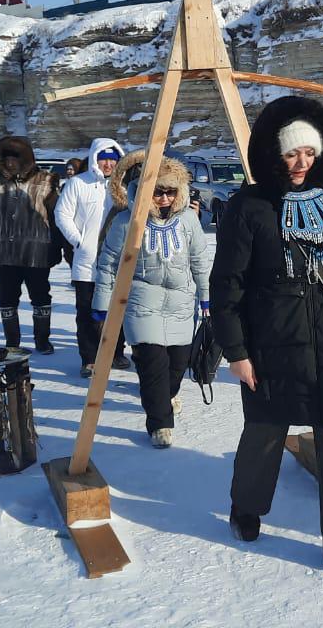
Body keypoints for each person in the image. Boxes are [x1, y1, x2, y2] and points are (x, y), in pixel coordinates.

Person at [210, 95, 323, 583]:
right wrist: (237, 352)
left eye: (309, 153)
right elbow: (227, 286)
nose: (300, 164)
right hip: (273, 345)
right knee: (264, 436)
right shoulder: (249, 207)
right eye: (290, 153)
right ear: (272, 153)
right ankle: (246, 507)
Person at [92, 151, 211, 448]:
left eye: (170, 192)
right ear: (145, 190)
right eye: (158, 191)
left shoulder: (188, 221)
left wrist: (207, 297)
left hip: (182, 305)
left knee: (176, 365)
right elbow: (108, 263)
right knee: (151, 364)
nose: (164, 198)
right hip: (142, 303)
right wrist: (101, 303)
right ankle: (160, 423)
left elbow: (199, 260)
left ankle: (168, 395)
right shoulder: (127, 221)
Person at [0, 136, 61, 355]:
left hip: (37, 250)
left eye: (14, 157)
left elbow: (55, 217)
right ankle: (12, 341)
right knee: (6, 297)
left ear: (25, 158)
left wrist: (57, 246)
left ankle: (42, 340)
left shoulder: (47, 181)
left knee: (41, 296)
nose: (10, 162)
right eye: (5, 158)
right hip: (6, 252)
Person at [55, 138, 130, 377]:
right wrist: (79, 241)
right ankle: (89, 358)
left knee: (116, 310)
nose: (108, 164)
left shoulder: (125, 186)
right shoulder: (78, 183)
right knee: (86, 312)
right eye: (103, 158)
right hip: (87, 263)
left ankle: (116, 353)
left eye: (112, 159)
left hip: (118, 262)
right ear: (95, 159)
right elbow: (62, 214)